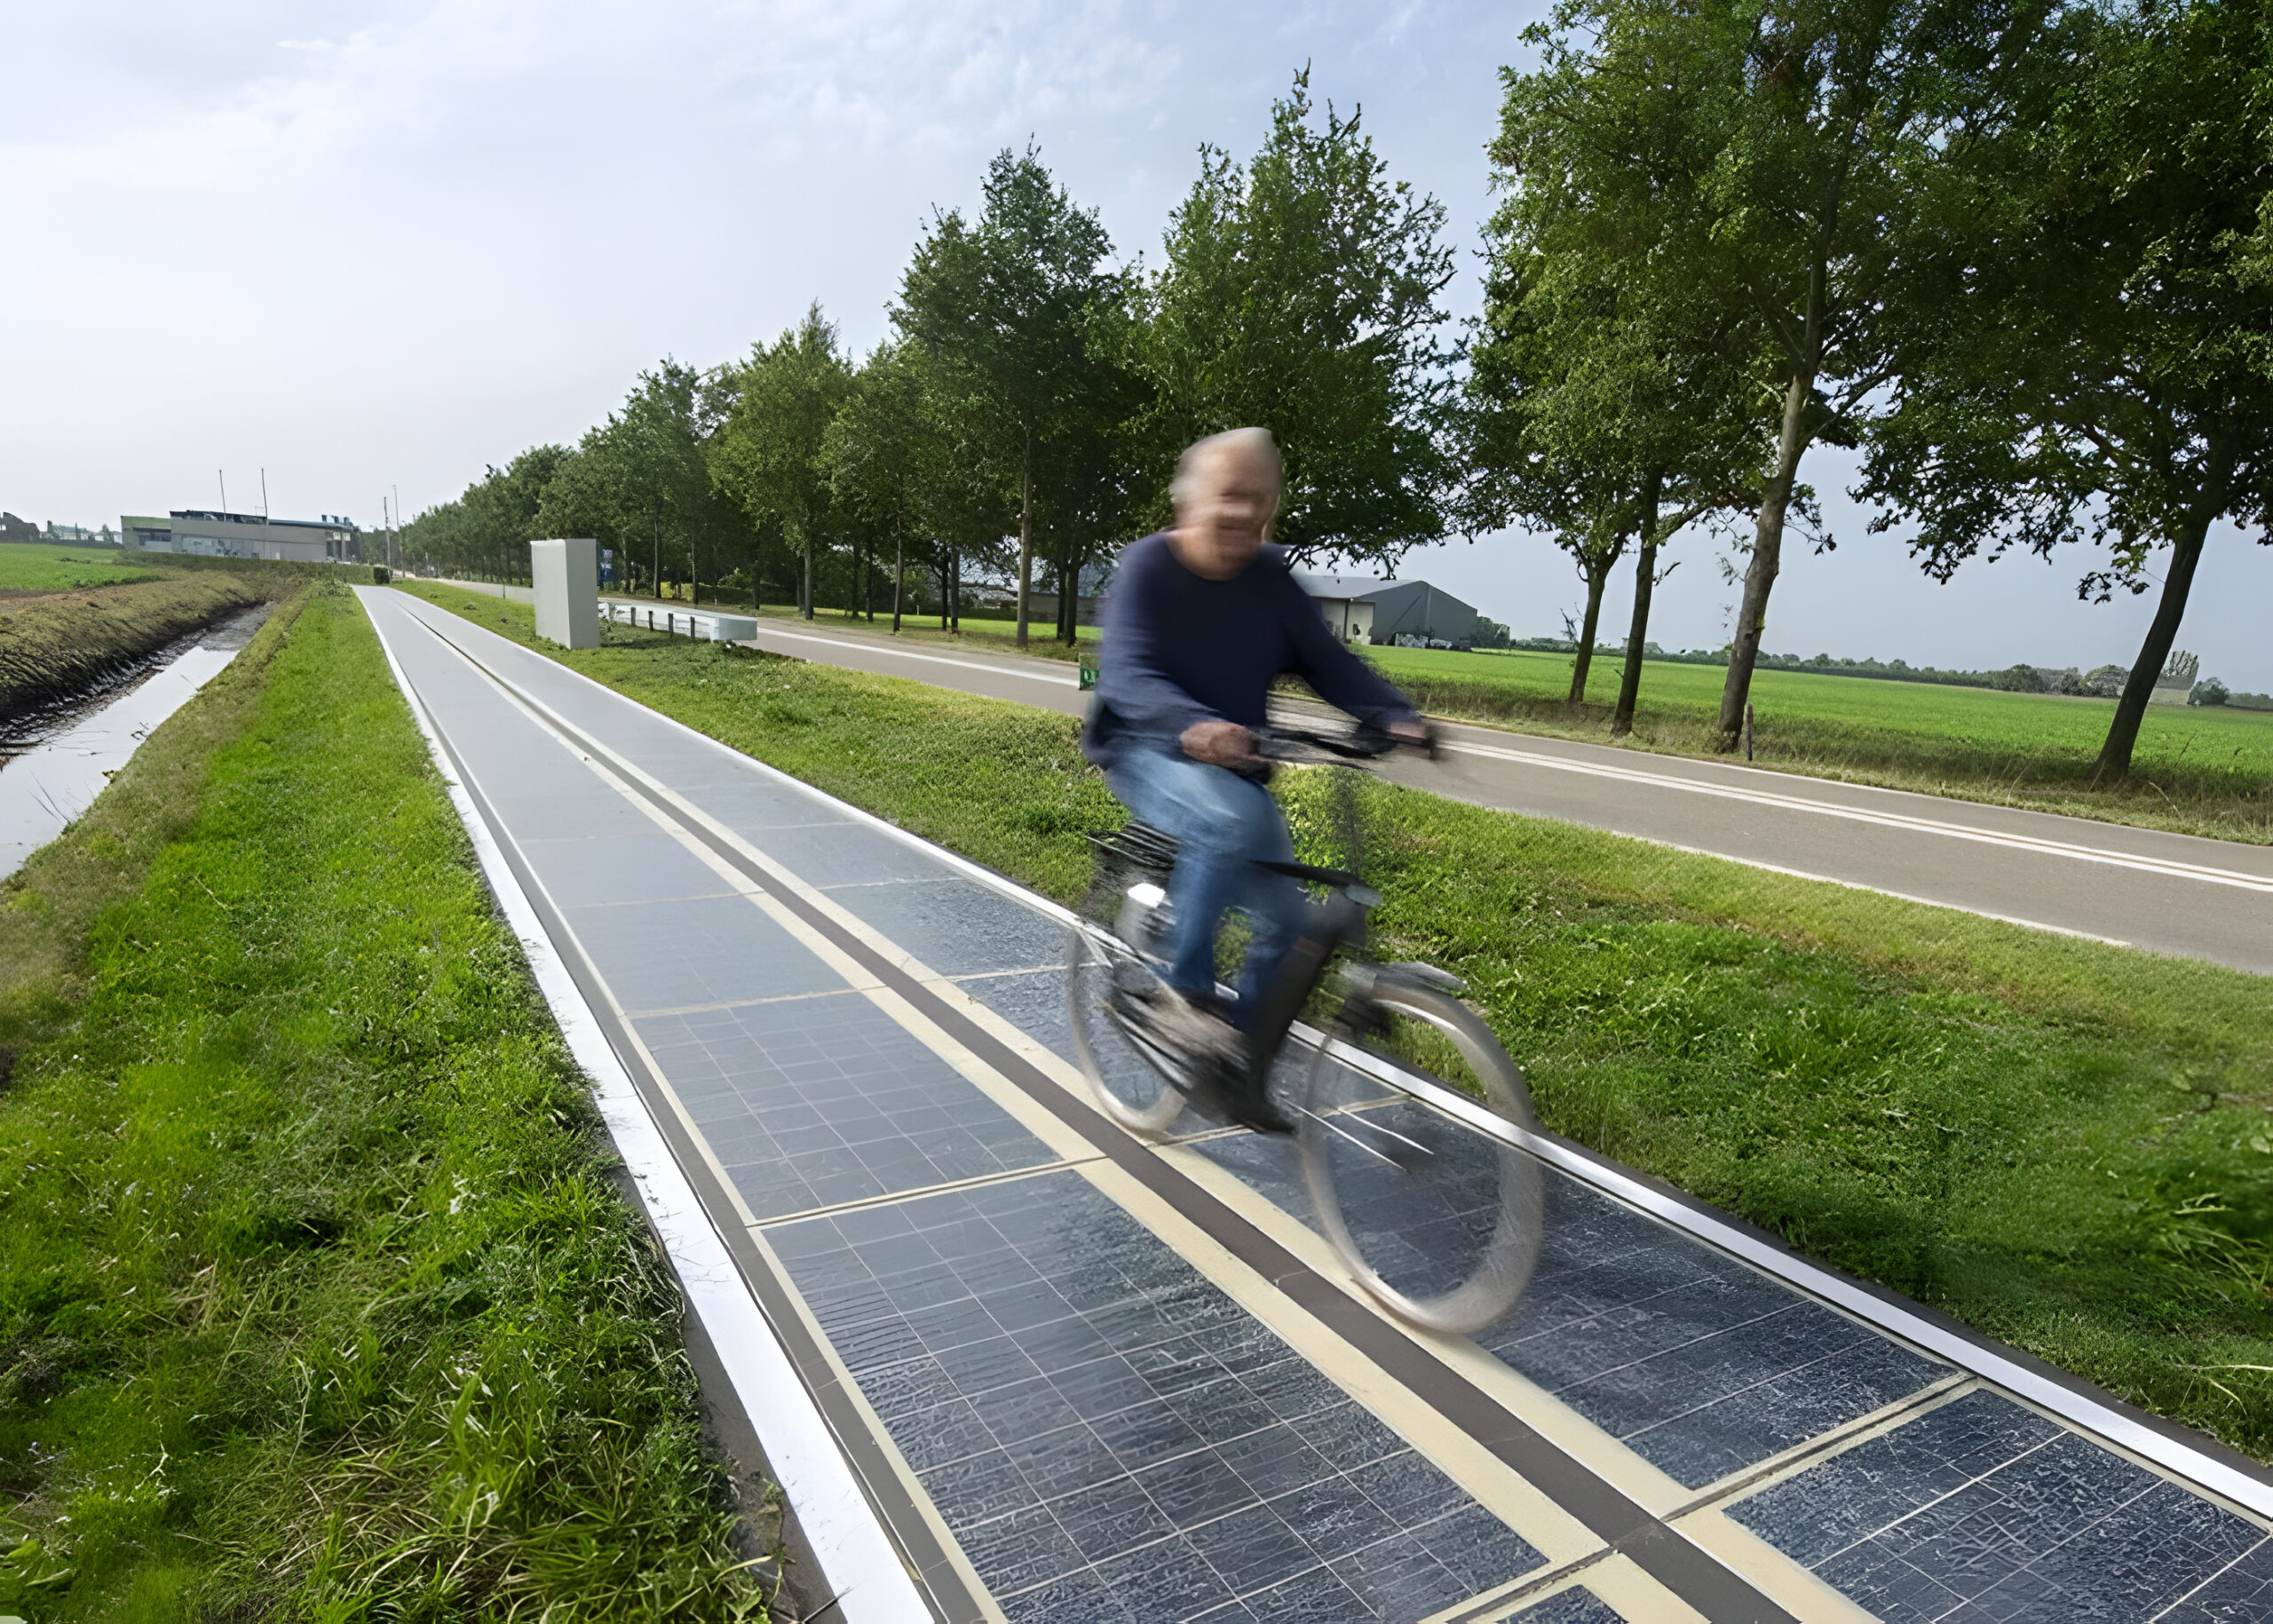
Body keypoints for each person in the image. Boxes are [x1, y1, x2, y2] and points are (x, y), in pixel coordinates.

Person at [1081, 427, 1426, 1131]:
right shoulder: (1148, 568)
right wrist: (1191, 723)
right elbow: (1126, 672)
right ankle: (1183, 1000)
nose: (1245, 513)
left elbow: (1330, 662)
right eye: (1230, 496)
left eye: (1260, 499)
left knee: (1293, 923)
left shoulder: (1270, 580)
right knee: (1228, 821)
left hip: (1235, 768)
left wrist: (1394, 716)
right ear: (1189, 504)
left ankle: (1239, 1063)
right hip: (1148, 748)